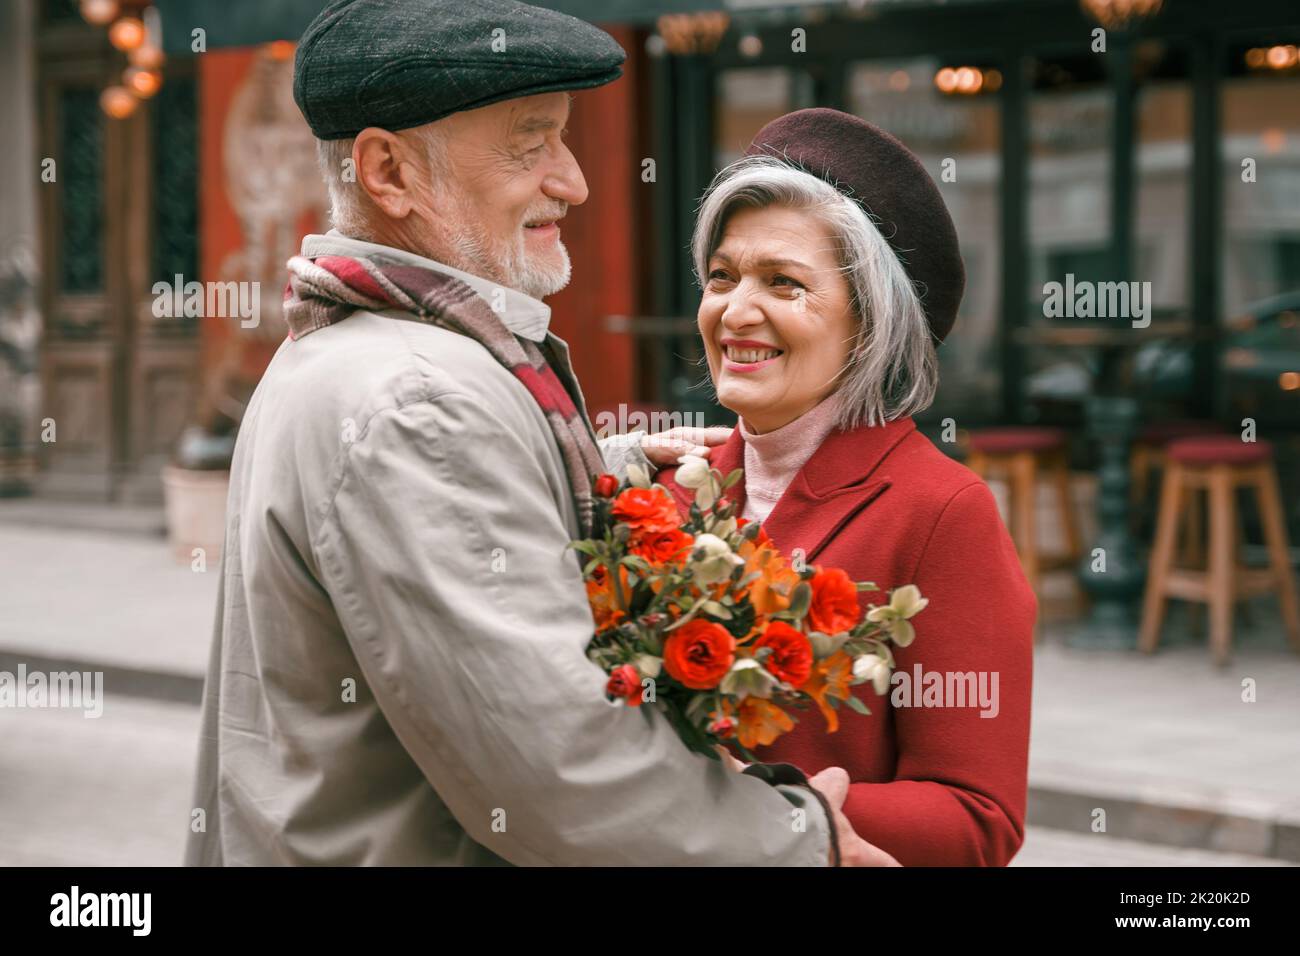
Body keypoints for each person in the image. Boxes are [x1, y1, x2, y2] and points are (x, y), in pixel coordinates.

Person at [183, 0, 885, 866]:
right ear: (388, 172)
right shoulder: (418, 401)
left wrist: (610, 464)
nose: (573, 180)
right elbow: (561, 768)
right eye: (530, 143)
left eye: (562, 137)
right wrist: (802, 842)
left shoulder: (358, 355)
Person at [658, 108, 1037, 866]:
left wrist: (762, 800)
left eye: (783, 283)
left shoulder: (940, 510)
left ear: (871, 323)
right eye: (722, 276)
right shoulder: (666, 489)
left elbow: (977, 817)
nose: (736, 310)